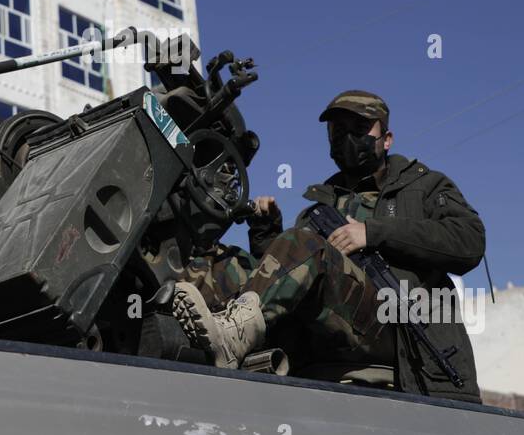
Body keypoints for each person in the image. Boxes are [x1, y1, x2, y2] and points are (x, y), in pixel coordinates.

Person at [172, 90, 486, 404]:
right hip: (326, 337)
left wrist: (372, 232)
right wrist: (266, 233)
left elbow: (469, 240)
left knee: (304, 243)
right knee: (223, 262)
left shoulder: (424, 186)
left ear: (386, 138)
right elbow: (288, 282)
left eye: (360, 129)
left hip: (399, 329)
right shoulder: (320, 208)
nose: (348, 138)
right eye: (338, 131)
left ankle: (231, 340)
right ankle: (173, 337)